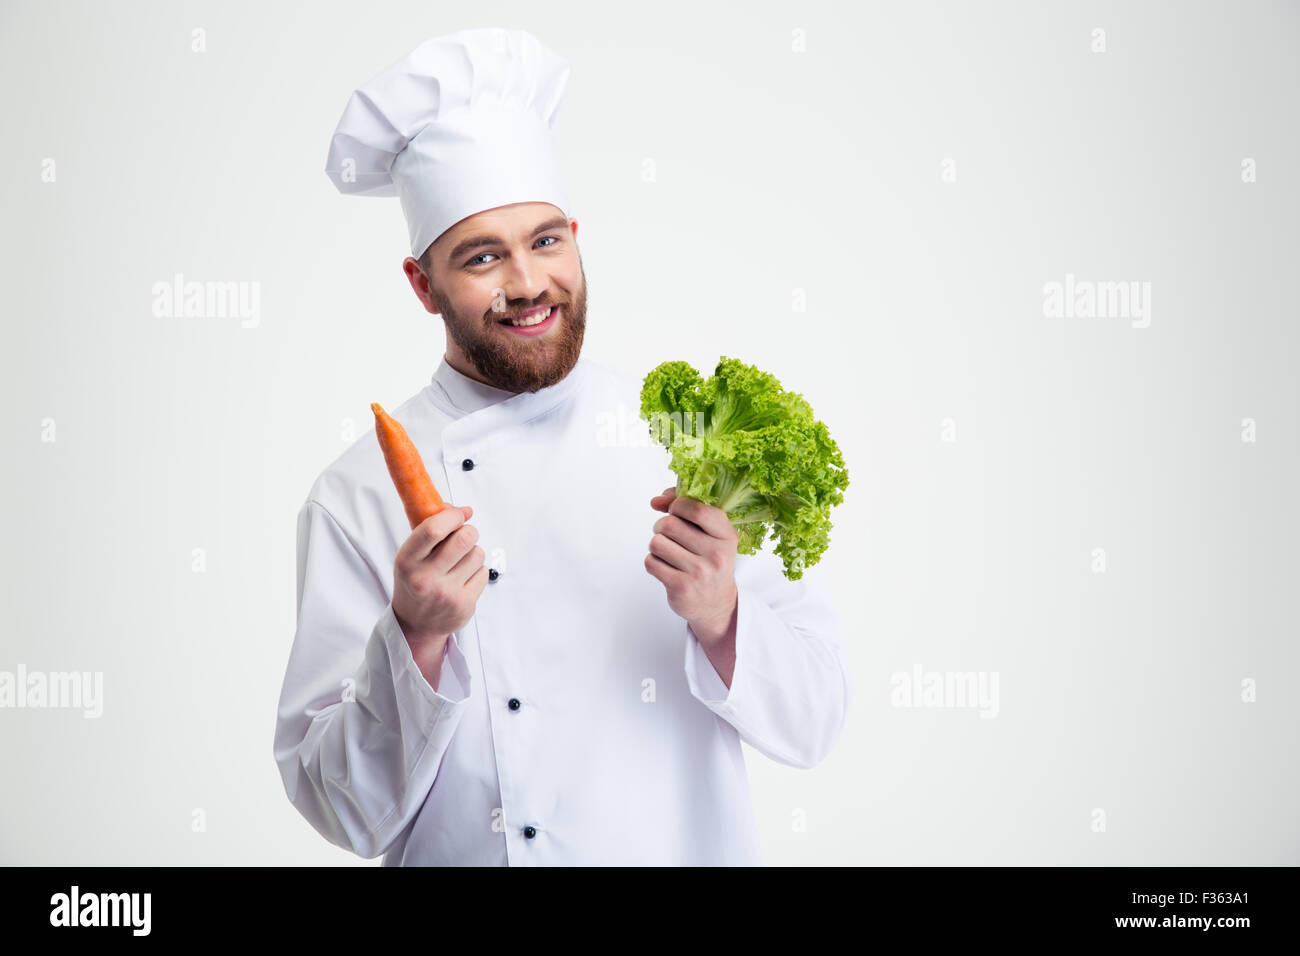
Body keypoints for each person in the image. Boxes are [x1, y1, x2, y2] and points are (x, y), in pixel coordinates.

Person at [272, 26, 852, 866]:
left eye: (547, 240)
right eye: (482, 257)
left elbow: (817, 721)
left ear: (575, 235)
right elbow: (343, 814)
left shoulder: (689, 447)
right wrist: (415, 639)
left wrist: (726, 618)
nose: (527, 284)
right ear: (422, 284)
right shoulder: (357, 495)